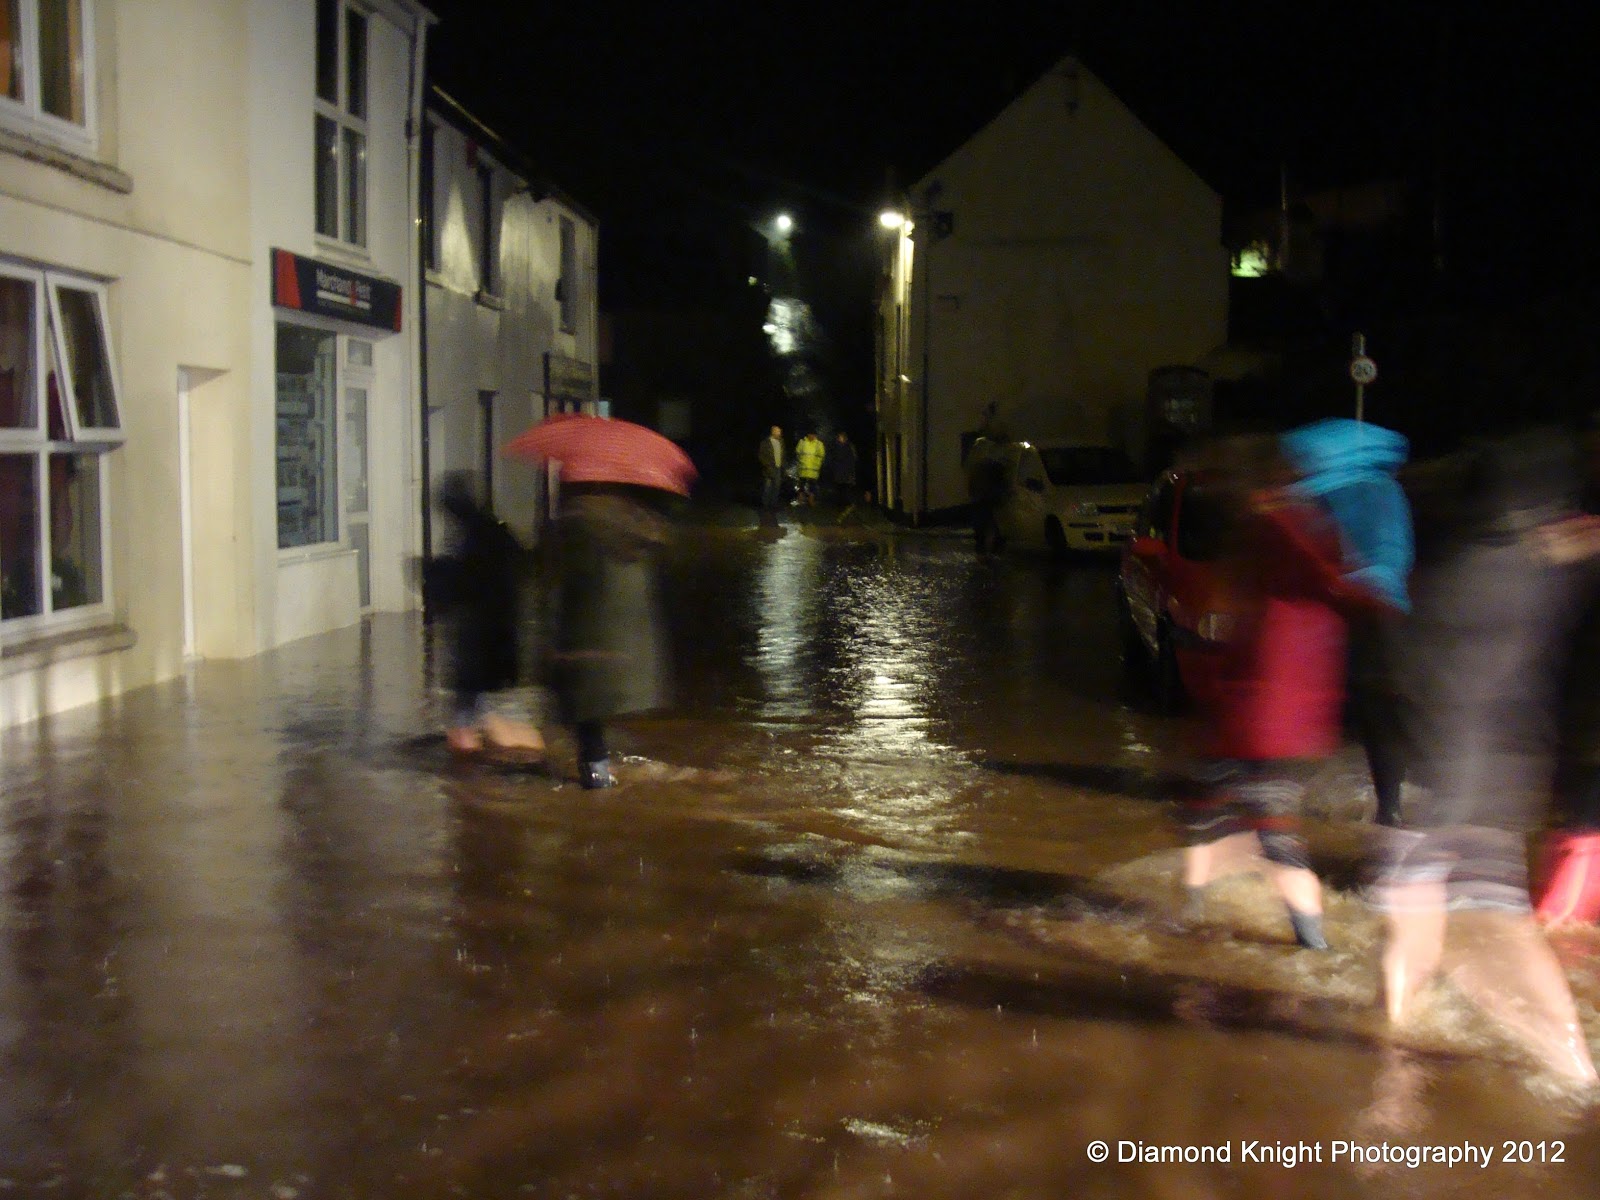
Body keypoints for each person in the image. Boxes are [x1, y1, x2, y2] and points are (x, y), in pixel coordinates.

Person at [1374, 429, 1598, 1083]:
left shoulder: (1437, 579)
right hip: (1505, 787)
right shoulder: (1544, 578)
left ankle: (1392, 1073)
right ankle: (1576, 1068)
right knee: (1506, 927)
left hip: (1436, 785)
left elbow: (1396, 683)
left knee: (1410, 933)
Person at [1179, 437, 1389, 951]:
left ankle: (1310, 946)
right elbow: (1334, 587)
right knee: (1212, 812)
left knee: (1268, 831)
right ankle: (1188, 917)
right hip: (1277, 712)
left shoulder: (1274, 527)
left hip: (1262, 714)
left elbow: (1318, 586)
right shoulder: (1308, 526)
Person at [1280, 418, 1415, 826]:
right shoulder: (1387, 490)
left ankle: (1280, 807)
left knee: (1308, 707)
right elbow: (1398, 553)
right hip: (1385, 617)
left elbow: (1305, 560)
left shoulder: (1313, 495)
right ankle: (1389, 808)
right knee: (1380, 717)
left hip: (1340, 615)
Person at [546, 482, 674, 789]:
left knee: (584, 721)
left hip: (588, 640)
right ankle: (601, 775)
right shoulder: (633, 524)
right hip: (624, 643)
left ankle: (597, 784)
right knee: (592, 722)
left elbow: (570, 589)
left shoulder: (578, 524)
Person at [424, 473, 544, 756]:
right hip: (500, 642)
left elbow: (463, 587)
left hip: (477, 645)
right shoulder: (498, 531)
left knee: (470, 719)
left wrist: (434, 572)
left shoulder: (469, 538)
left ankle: (468, 779)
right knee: (483, 712)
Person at [827, 430, 859, 509]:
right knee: (840, 487)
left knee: (845, 487)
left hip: (845, 470)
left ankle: (844, 502)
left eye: (841, 437)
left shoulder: (848, 446)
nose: (840, 438)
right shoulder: (836, 446)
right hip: (839, 470)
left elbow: (853, 459)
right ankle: (841, 502)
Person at [758, 425, 785, 516]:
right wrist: (767, 466)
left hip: (778, 468)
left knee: (776, 487)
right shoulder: (766, 442)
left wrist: (783, 466)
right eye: (778, 431)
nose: (779, 433)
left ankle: (773, 505)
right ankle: (765, 506)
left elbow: (783, 455)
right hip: (769, 468)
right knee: (767, 487)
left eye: (780, 432)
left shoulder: (781, 442)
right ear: (773, 432)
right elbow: (761, 456)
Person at [795, 430, 826, 506]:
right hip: (803, 470)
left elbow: (822, 456)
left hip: (813, 471)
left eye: (814, 434)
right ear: (808, 434)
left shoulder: (819, 444)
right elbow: (798, 453)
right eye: (811, 434)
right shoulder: (802, 442)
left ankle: (810, 501)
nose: (812, 436)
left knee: (812, 487)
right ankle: (800, 501)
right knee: (801, 486)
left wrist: (817, 464)